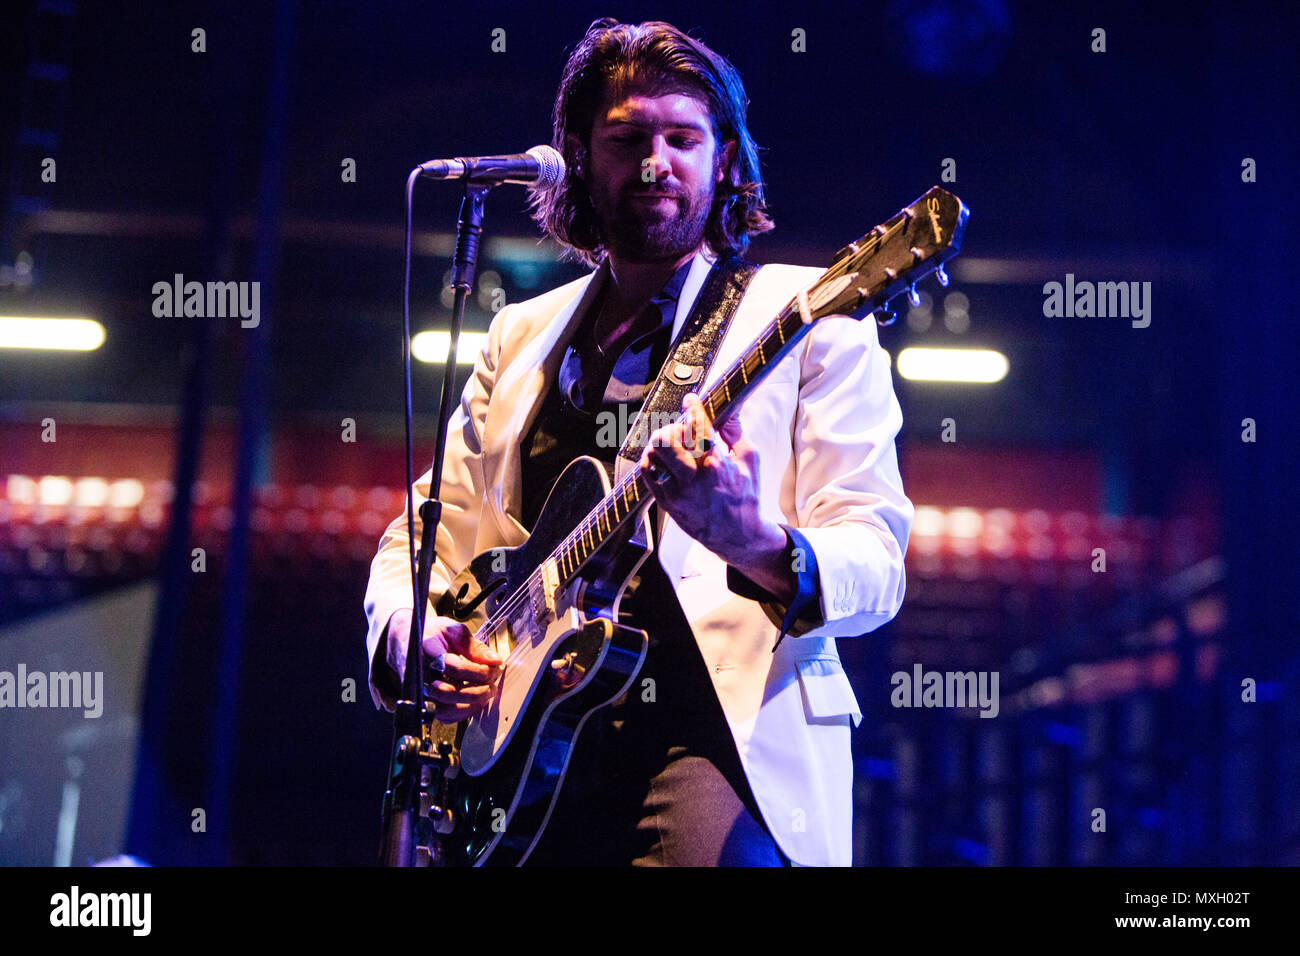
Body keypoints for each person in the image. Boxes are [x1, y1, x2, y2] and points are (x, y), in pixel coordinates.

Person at [363, 18, 913, 866]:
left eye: (683, 138)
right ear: (580, 155)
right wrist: (407, 629)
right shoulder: (521, 334)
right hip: (528, 746)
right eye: (626, 139)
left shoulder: (811, 318)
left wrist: (756, 541)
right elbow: (428, 529)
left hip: (715, 737)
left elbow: (877, 563)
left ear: (724, 158)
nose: (656, 162)